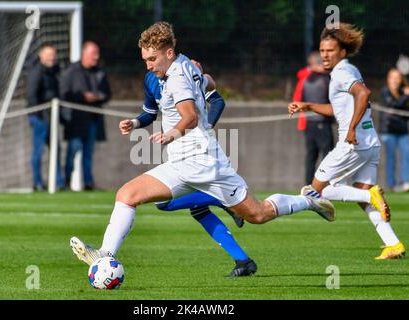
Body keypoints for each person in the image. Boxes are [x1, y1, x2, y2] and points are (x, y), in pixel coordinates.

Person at [70, 22, 336, 274]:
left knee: (258, 214)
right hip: (185, 161)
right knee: (127, 195)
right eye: (145, 60)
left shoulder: (176, 79)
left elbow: (191, 117)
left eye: (153, 60)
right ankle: (105, 254)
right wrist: (138, 122)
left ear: (169, 52)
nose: (149, 66)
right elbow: (210, 83)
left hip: (202, 162)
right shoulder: (186, 65)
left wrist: (171, 133)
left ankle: (308, 201)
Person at [289, 23, 405, 260]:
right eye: (322, 51)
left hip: (353, 143)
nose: (324, 55)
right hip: (369, 143)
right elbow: (339, 108)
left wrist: (351, 129)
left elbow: (364, 94)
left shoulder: (342, 72)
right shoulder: (347, 71)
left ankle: (370, 195)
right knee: (364, 195)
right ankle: (393, 244)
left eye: (330, 50)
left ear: (342, 51)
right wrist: (309, 105)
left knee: (316, 190)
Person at [126, 62, 256, 277]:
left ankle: (222, 201)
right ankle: (243, 261)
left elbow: (216, 99)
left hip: (198, 150)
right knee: (197, 209)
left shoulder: (187, 75)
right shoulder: (153, 79)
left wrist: (208, 126)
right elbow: (149, 113)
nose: (149, 63)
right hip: (177, 149)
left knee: (163, 202)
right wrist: (134, 122)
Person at [60, 41, 111, 190]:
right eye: (93, 54)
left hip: (93, 120)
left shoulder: (99, 72)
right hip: (75, 121)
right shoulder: (71, 71)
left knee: (88, 154)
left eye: (97, 54)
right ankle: (66, 180)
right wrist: (82, 97)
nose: (96, 57)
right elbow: (64, 93)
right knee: (73, 150)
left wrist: (98, 97)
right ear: (84, 54)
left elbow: (107, 94)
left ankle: (88, 182)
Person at [26, 45, 66, 191]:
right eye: (49, 55)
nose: (52, 58)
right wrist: (38, 116)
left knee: (56, 149)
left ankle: (59, 182)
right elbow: (31, 95)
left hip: (52, 116)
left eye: (53, 55)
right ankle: (37, 182)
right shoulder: (36, 71)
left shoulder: (55, 72)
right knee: (38, 150)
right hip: (41, 117)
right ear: (41, 56)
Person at [293, 51, 334, 185]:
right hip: (322, 122)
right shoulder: (326, 79)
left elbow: (298, 99)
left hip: (308, 123)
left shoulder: (305, 79)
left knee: (311, 156)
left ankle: (308, 186)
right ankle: (324, 185)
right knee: (328, 156)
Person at [380, 68, 409, 192]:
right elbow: (394, 105)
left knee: (406, 155)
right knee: (391, 158)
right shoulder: (385, 92)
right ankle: (392, 185)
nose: (395, 80)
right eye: (393, 78)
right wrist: (406, 96)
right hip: (388, 131)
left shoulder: (404, 92)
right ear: (389, 79)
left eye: (398, 78)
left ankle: (405, 182)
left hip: (403, 131)